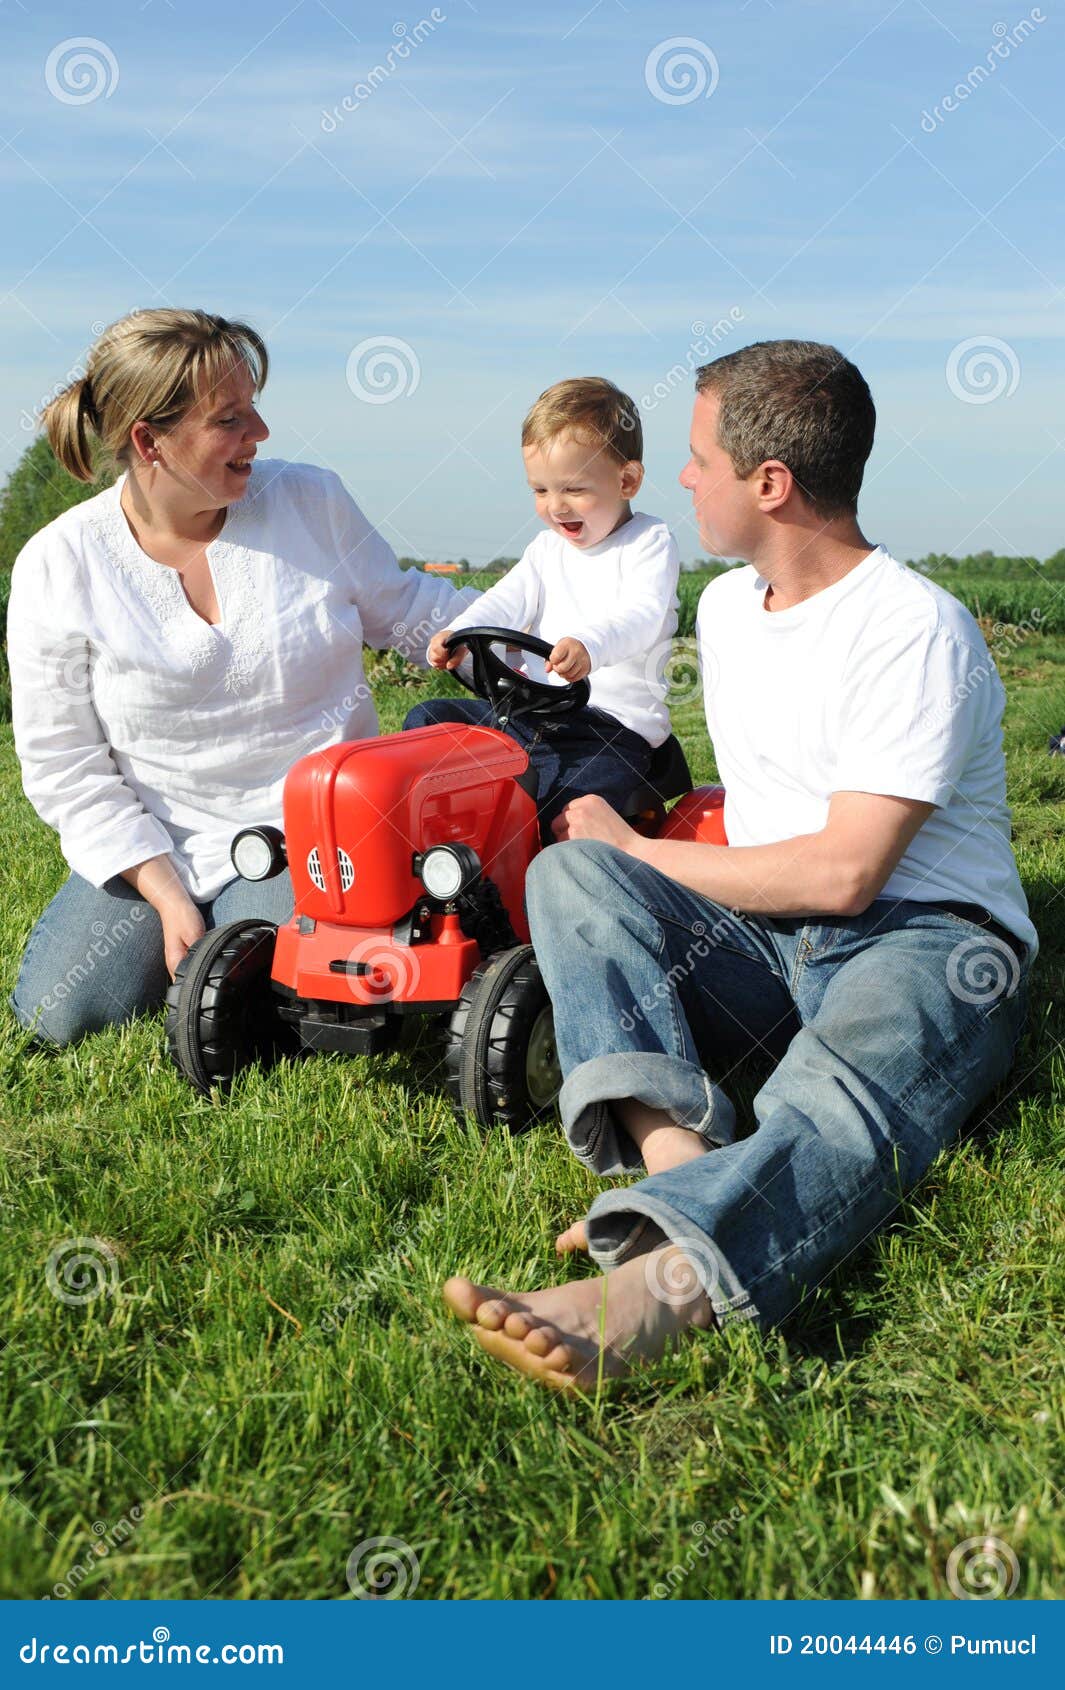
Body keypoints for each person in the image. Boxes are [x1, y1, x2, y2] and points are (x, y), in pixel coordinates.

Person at [443, 338, 1037, 1390]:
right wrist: (627, 862)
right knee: (567, 875)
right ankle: (679, 1158)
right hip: (765, 932)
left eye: (696, 457)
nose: (679, 478)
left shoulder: (913, 630)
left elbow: (848, 875)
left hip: (926, 935)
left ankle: (659, 1291)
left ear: (769, 483)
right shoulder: (724, 609)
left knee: (840, 1084)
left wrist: (646, 849)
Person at [8, 307, 475, 1046]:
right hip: (156, 840)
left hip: (311, 837)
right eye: (230, 419)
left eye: (253, 409)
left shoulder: (310, 502)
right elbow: (64, 764)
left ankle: (250, 945)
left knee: (310, 1001)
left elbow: (415, 610)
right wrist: (165, 895)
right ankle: (202, 934)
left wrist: (537, 636)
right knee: (63, 1015)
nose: (258, 434)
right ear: (147, 440)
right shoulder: (60, 563)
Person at [403, 378, 680, 829]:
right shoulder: (545, 550)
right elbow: (502, 602)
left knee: (565, 806)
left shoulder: (648, 542)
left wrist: (589, 645)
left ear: (626, 480)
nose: (557, 507)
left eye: (574, 489)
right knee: (430, 720)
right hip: (530, 718)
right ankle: (442, 847)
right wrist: (459, 634)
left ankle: (542, 868)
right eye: (541, 490)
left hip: (609, 730)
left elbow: (643, 616)